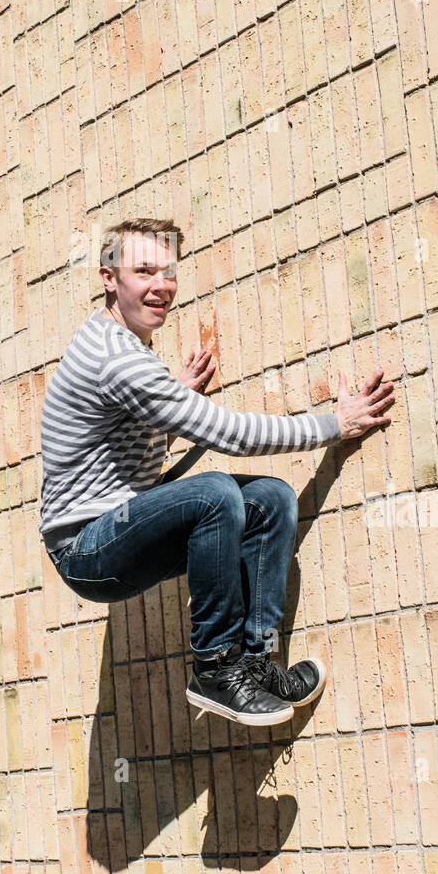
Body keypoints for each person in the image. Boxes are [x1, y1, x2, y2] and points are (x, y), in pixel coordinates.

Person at [39, 218, 395, 727]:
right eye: (143, 271)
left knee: (271, 500)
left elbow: (110, 450)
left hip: (119, 521)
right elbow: (231, 434)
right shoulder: (117, 359)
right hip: (85, 549)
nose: (160, 286)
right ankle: (214, 668)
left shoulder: (126, 347)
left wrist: (173, 399)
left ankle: (256, 661)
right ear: (108, 277)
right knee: (214, 493)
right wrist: (334, 424)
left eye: (168, 272)